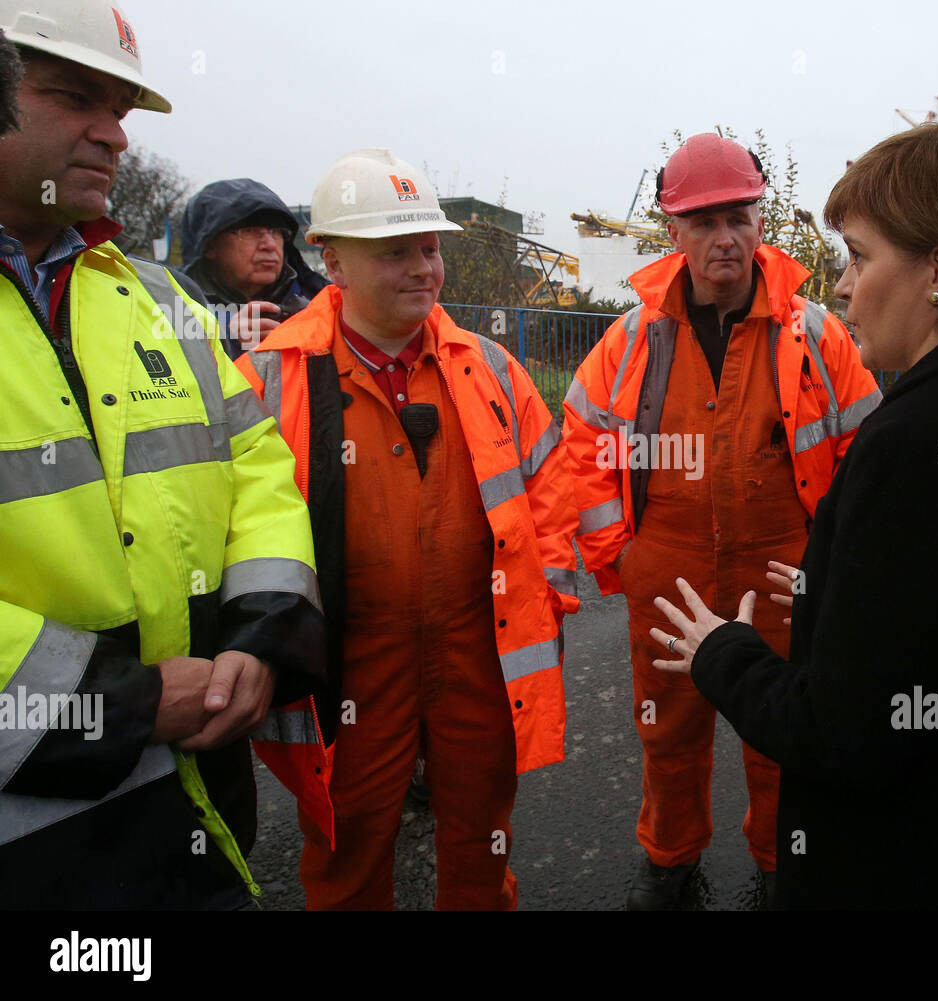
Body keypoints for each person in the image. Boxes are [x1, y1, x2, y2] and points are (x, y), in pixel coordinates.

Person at [650, 120, 938, 909]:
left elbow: (842, 731)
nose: (838, 284)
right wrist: (844, 586)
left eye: (859, 256)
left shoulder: (912, 442)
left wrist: (723, 651)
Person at [0, 0, 325, 908]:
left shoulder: (152, 298)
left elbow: (256, 463)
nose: (114, 137)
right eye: (73, 97)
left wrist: (261, 635)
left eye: (123, 113)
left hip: (200, 775)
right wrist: (121, 703)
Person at [236, 148, 580, 910]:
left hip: (476, 655)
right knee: (346, 842)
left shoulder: (489, 368)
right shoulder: (270, 376)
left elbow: (551, 489)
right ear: (334, 262)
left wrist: (547, 597)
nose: (425, 267)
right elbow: (230, 525)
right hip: (351, 666)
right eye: (397, 252)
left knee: (481, 835)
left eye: (430, 248)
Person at [563, 132, 880, 909]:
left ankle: (784, 863)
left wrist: (832, 568)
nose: (724, 237)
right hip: (666, 569)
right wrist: (622, 556)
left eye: (738, 216)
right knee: (667, 732)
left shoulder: (818, 337)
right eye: (703, 222)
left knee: (787, 736)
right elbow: (583, 442)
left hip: (783, 570)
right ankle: (670, 861)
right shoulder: (634, 337)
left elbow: (868, 457)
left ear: (761, 221)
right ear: (673, 232)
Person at [181, 178, 330, 360]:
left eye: (276, 232)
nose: (269, 244)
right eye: (250, 231)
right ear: (209, 246)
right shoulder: (168, 309)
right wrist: (230, 345)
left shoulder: (325, 301)